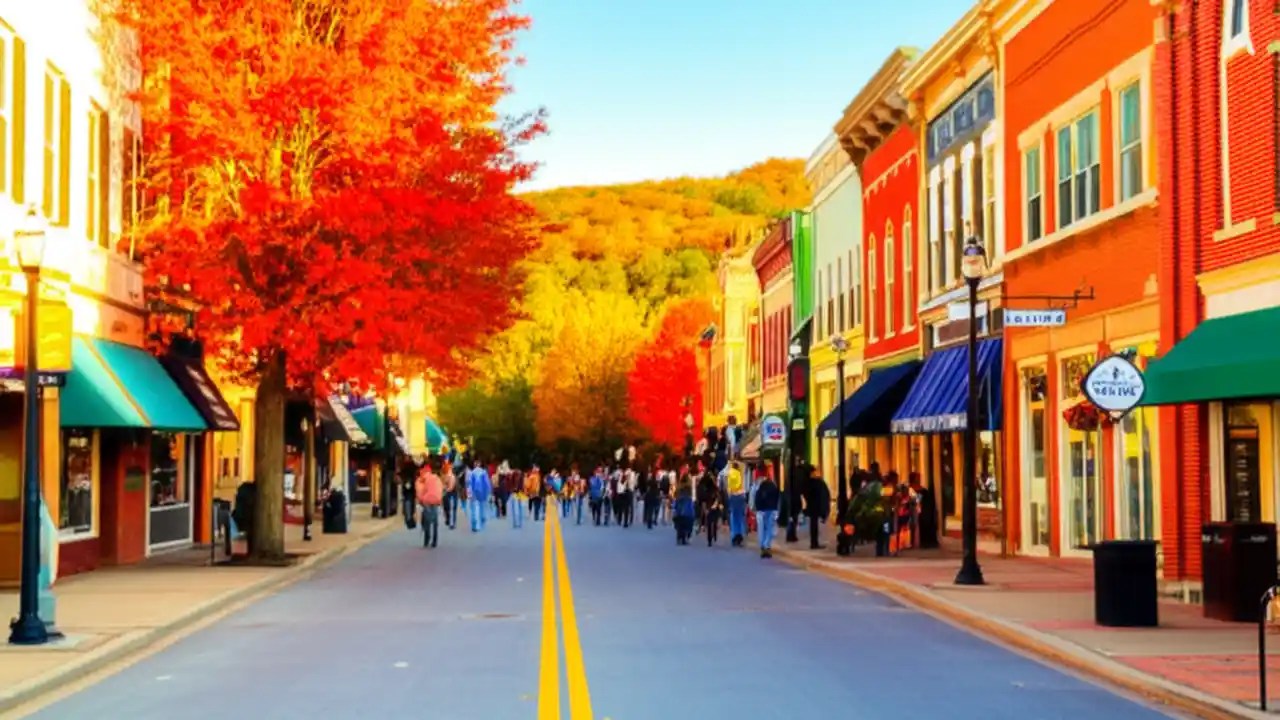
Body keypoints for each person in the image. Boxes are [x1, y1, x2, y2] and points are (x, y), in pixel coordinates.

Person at [753, 467, 780, 559]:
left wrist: (757, 508)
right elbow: (777, 499)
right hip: (771, 510)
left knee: (761, 529)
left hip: (761, 511)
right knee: (769, 529)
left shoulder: (759, 487)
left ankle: (763, 546)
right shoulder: (773, 487)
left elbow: (757, 499)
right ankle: (766, 545)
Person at [416, 462, 443, 548]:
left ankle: (426, 540)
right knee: (435, 521)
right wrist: (439, 499)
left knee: (427, 521)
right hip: (436, 500)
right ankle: (435, 541)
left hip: (427, 500)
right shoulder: (437, 478)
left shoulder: (423, 479)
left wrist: (420, 500)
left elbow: (421, 491)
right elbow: (440, 489)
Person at [805, 466, 830, 550]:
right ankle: (814, 543)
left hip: (812, 506)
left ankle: (814, 542)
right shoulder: (816, 482)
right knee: (814, 525)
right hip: (815, 506)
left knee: (813, 524)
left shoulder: (808, 483)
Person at [726, 460, 748, 547]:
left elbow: (728, 486)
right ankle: (740, 535)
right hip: (741, 495)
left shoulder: (730, 473)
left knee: (733, 516)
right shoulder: (741, 473)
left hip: (733, 495)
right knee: (741, 517)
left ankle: (734, 535)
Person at [467, 460, 492, 532]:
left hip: (474, 493)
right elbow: (487, 483)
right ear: (480, 465)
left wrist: (469, 495)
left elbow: (469, 485)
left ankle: (475, 525)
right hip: (483, 494)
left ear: (474, 465)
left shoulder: (472, 473)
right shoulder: (484, 472)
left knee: (474, 509)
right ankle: (482, 520)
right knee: (482, 508)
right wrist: (489, 492)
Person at [673, 474, 696, 545]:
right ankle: (684, 537)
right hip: (687, 509)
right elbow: (691, 496)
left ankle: (679, 537)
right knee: (687, 524)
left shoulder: (679, 486)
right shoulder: (689, 487)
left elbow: (675, 495)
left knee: (679, 524)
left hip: (679, 508)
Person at [441, 464, 458, 530]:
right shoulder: (444, 475)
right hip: (448, 494)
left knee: (452, 509)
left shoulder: (452, 476)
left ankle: (452, 523)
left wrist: (445, 489)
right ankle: (449, 520)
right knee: (447, 508)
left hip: (452, 494)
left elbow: (451, 487)